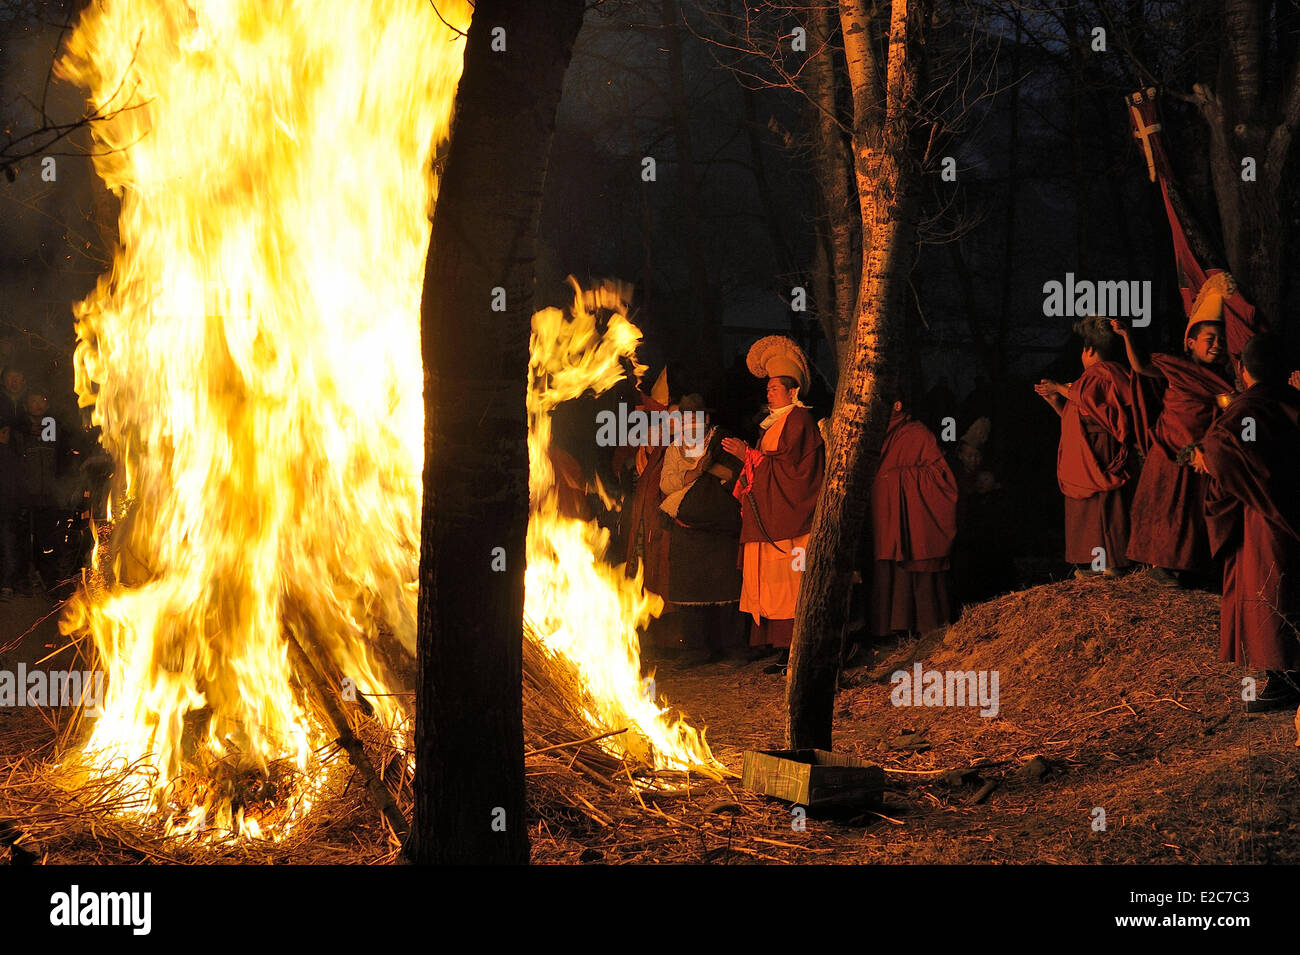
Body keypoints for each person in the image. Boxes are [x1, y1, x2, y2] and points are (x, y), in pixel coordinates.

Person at [1196, 333, 1300, 712]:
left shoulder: (1249, 409)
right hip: (1291, 511)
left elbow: (1221, 447)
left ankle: (1283, 679)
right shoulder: (1291, 402)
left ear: (1242, 369)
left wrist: (1247, 487)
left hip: (1265, 520)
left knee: (1270, 589)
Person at [1111, 286, 1233, 587]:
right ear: (1190, 343)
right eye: (1209, 339)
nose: (1217, 345)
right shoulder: (1175, 367)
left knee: (1191, 512)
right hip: (1168, 447)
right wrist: (1127, 336)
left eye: (1221, 340)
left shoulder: (1223, 381)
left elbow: (1227, 413)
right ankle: (1159, 564)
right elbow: (1140, 366)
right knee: (1163, 505)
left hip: (1200, 454)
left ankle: (1188, 567)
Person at [722, 336, 825, 668]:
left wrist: (747, 455)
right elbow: (772, 464)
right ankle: (783, 649)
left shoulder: (799, 421)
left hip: (791, 521)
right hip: (772, 514)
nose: (768, 393)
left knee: (792, 585)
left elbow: (796, 473)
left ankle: (796, 650)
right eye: (767, 389)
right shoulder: (777, 423)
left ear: (793, 392)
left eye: (775, 389)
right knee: (774, 584)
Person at [1035, 315, 1144, 579]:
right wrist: (1055, 400)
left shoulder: (1103, 374)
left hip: (1100, 454)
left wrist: (1060, 388)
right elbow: (1079, 419)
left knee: (1102, 510)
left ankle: (1111, 564)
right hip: (1088, 452)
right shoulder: (1090, 380)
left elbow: (1097, 411)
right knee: (1091, 513)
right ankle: (1095, 565)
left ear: (1089, 350)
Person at [659, 395, 745, 664]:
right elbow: (666, 484)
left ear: (706, 420)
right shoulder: (674, 449)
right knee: (689, 587)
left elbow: (736, 475)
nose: (690, 423)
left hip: (718, 528)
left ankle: (732, 648)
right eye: (685, 418)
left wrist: (710, 468)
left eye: (695, 417)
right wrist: (695, 472)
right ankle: (695, 649)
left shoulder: (721, 442)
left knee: (725, 586)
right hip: (687, 531)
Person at [871, 399, 959, 639]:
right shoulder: (871, 437)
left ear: (896, 404)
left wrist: (897, 479)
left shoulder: (917, 433)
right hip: (883, 519)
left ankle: (923, 629)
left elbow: (941, 478)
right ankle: (887, 631)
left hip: (910, 523)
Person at [0, 415, 23, 600]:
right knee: (8, 549)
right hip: (7, 510)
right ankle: (6, 585)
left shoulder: (12, 457)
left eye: (6, 431)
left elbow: (16, 485)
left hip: (7, 511)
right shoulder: (10, 457)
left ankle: (7, 585)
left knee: (9, 548)